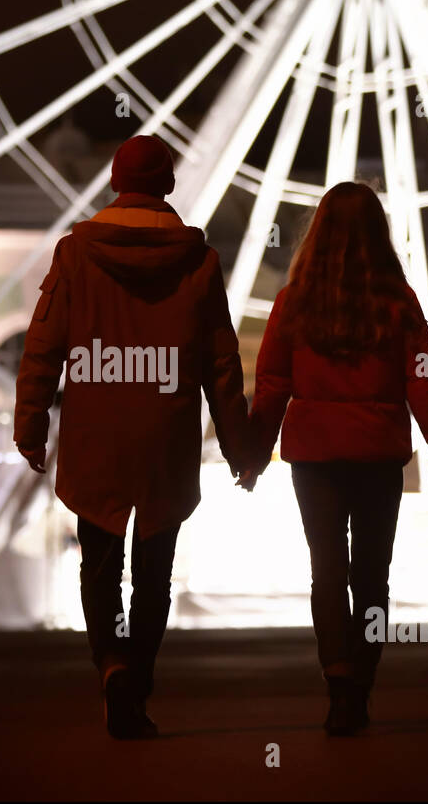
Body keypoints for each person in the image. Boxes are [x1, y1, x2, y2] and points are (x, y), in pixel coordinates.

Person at [15, 135, 251, 740]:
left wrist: (32, 424)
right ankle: (137, 677)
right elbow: (220, 363)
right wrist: (239, 448)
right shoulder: (198, 261)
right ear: (168, 185)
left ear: (116, 182)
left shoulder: (76, 255)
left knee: (99, 565)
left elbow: (42, 346)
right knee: (154, 572)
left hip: (96, 436)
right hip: (165, 437)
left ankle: (111, 663)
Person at [239, 182, 428, 737]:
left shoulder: (295, 300)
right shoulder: (399, 302)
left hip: (314, 454)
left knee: (327, 572)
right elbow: (424, 385)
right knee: (372, 578)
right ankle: (361, 684)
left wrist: (251, 455)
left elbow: (271, 384)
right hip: (376, 452)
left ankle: (337, 678)